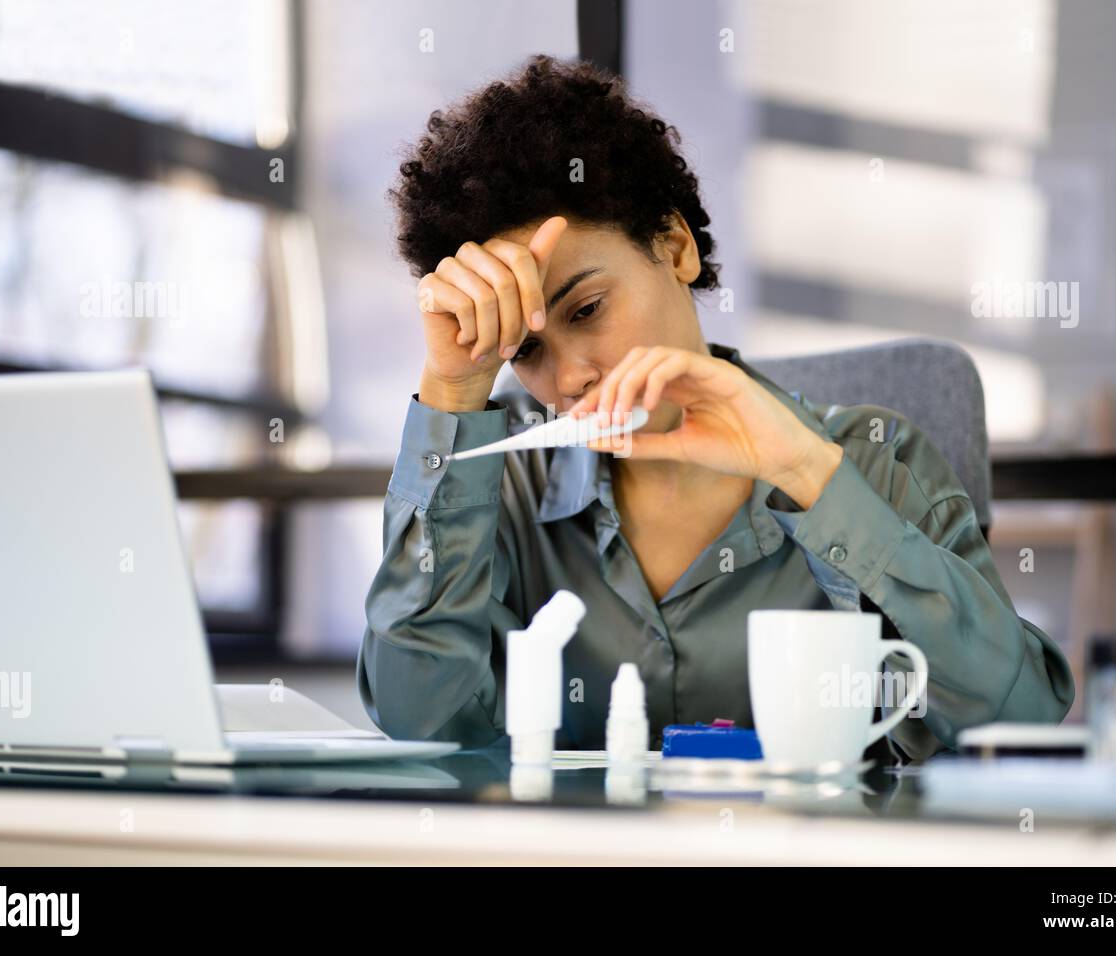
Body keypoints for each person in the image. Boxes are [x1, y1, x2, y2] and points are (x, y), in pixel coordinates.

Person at [358, 54, 1074, 763]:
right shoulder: (501, 485)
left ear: (674, 247)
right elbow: (424, 725)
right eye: (524, 350)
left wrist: (807, 471)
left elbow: (1020, 719)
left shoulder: (875, 462)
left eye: (589, 308)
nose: (570, 376)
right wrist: (453, 392)